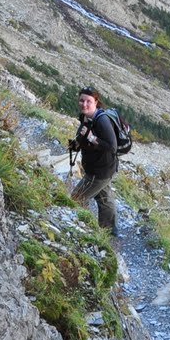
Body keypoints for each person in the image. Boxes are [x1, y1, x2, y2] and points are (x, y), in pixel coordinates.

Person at [68, 86, 119, 235]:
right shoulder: (85, 117)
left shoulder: (102, 120)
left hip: (100, 171)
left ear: (96, 102)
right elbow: (84, 140)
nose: (84, 104)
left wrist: (91, 137)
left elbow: (112, 147)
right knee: (104, 198)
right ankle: (109, 231)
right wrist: (76, 144)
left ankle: (85, 227)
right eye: (81, 100)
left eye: (88, 101)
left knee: (77, 197)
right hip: (99, 168)